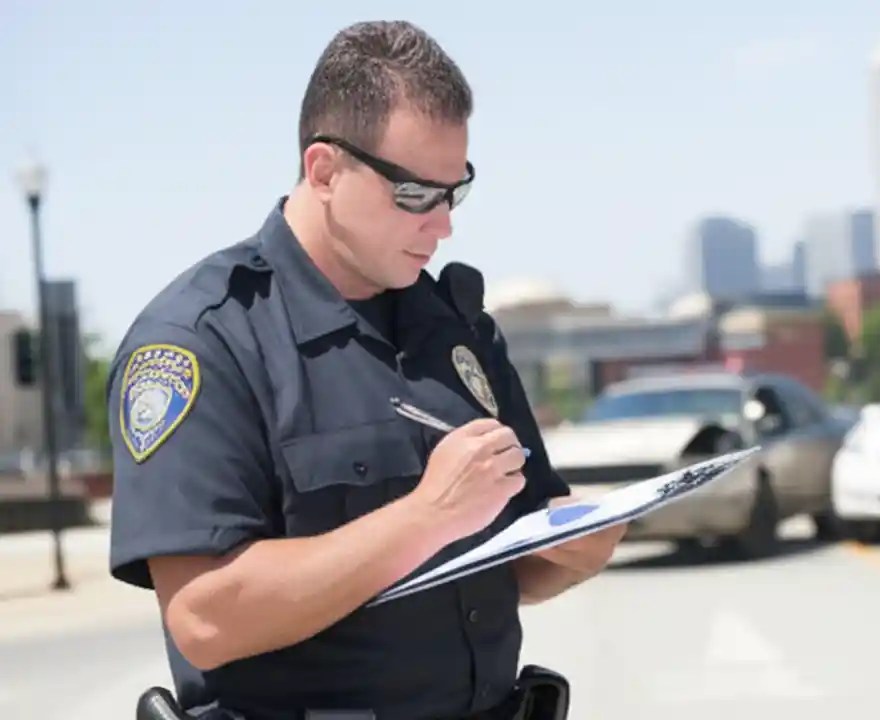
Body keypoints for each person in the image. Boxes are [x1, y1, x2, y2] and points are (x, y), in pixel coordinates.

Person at [106, 20, 626, 720]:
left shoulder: (456, 328)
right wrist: (426, 517)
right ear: (324, 171)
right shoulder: (204, 343)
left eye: (454, 192)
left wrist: (578, 545)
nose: (442, 226)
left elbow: (513, 564)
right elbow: (206, 618)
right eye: (415, 195)